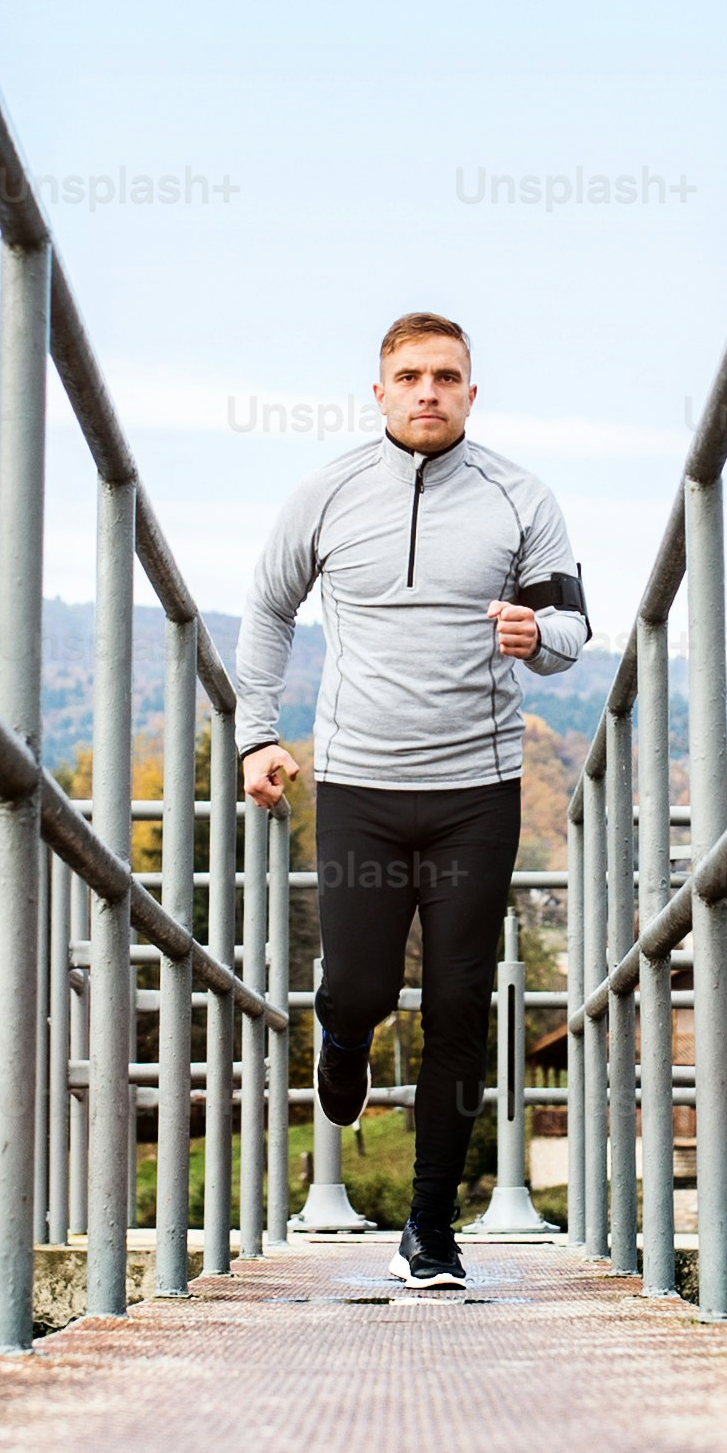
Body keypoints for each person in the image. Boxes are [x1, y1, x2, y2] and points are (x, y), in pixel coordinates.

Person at [237, 311, 585, 1291]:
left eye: (445, 376)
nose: (426, 390)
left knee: (459, 1011)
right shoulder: (328, 492)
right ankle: (338, 1039)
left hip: (478, 791)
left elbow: (572, 628)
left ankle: (429, 1231)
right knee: (358, 986)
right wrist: (257, 733)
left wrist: (535, 637)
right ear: (378, 390)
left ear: (471, 393)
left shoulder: (521, 498)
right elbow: (266, 606)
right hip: (357, 786)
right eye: (408, 375)